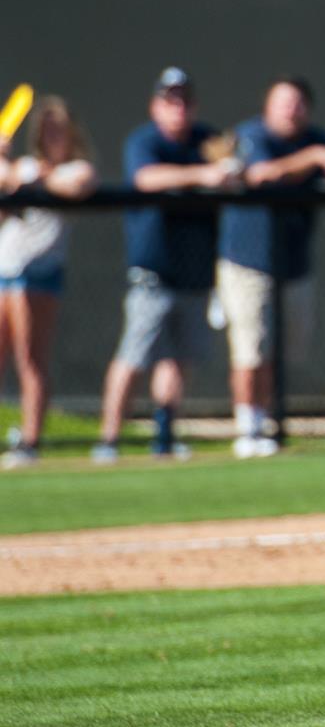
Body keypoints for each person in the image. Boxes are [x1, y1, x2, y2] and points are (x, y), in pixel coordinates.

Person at [95, 68, 238, 464]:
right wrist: (203, 175)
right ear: (155, 106)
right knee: (134, 356)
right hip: (152, 273)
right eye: (170, 100)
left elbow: (232, 169)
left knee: (179, 360)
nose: (178, 108)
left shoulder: (206, 140)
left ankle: (165, 436)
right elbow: (146, 178)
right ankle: (108, 439)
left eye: (185, 100)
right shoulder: (144, 141)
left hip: (195, 272)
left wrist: (229, 171)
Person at [216, 75, 325, 458]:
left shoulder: (317, 138)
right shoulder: (252, 135)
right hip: (248, 263)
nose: (290, 110)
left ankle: (266, 422)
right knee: (250, 349)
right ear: (268, 106)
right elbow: (261, 174)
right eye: (283, 103)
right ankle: (247, 428)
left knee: (282, 352)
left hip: (294, 265)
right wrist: (314, 158)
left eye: (297, 103)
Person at [0, 97, 98, 468]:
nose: (53, 137)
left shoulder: (77, 169)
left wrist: (32, 178)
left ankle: (30, 441)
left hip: (39, 275)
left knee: (31, 359)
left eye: (60, 131)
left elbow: (77, 186)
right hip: (5, 268)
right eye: (47, 131)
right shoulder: (24, 166)